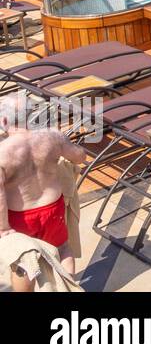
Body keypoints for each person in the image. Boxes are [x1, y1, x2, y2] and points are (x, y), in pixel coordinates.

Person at [0, 95, 89, 291]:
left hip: (19, 216)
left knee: (23, 262)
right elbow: (80, 156)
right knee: (63, 249)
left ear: (4, 121)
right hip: (52, 208)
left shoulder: (2, 152)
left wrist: (3, 228)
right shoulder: (52, 137)